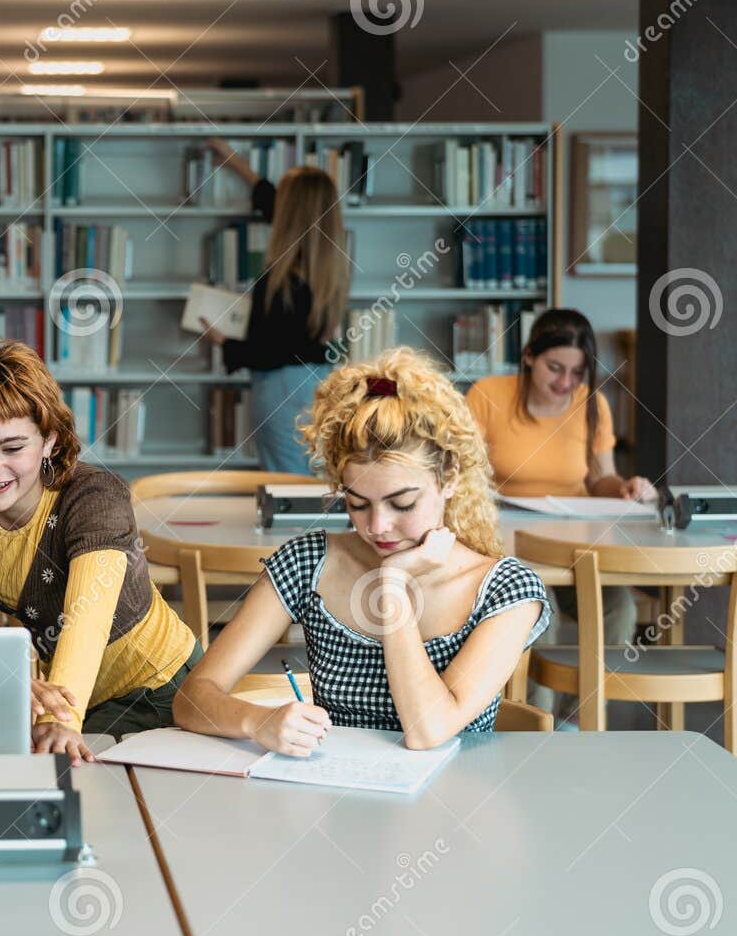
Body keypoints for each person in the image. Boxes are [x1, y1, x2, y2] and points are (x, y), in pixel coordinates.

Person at [173, 347, 551, 753]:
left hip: (455, 792)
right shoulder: (307, 563)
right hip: (332, 787)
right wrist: (257, 720)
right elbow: (191, 700)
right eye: (357, 503)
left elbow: (427, 731)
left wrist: (393, 585)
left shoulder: (507, 591)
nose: (377, 526)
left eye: (402, 504)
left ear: (450, 478)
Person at [0, 342, 201, 763]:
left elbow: (85, 619)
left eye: (12, 448)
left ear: (49, 441)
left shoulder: (94, 498)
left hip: (159, 691)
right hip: (70, 695)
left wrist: (62, 720)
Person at [466, 308, 650, 649]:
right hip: (505, 546)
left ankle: (593, 688)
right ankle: (536, 688)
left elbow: (601, 481)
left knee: (620, 609)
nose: (565, 382)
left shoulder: (592, 403)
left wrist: (624, 488)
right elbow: (462, 475)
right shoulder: (487, 394)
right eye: (555, 368)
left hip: (572, 545)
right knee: (540, 611)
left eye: (577, 372)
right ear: (529, 356)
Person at [201, 140, 351, 475]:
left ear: (289, 212)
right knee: (310, 480)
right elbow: (272, 204)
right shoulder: (326, 264)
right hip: (317, 381)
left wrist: (223, 342)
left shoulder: (283, 282)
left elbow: (270, 352)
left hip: (281, 389)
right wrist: (238, 166)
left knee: (288, 485)